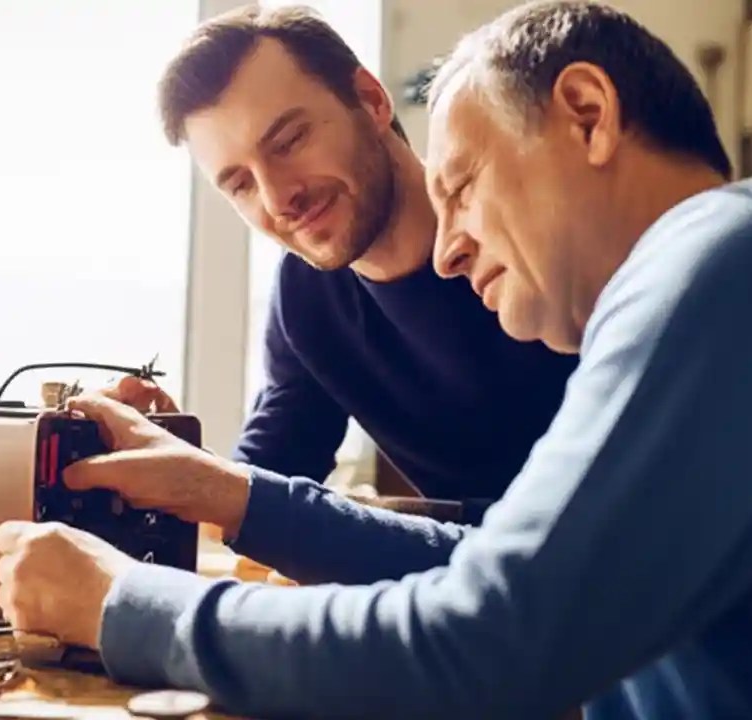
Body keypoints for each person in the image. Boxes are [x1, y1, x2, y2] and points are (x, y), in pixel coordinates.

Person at [0, 2, 752, 718]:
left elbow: (487, 639)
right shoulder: (748, 263)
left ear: (588, 115)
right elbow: (496, 568)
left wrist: (125, 604)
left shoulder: (741, 259)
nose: (446, 251)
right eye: (237, 181)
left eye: (465, 187)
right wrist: (223, 491)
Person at [111, 3, 577, 517]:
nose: (277, 197)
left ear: (372, 100)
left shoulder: (527, 238)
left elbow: (601, 518)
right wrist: (171, 465)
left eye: (289, 141)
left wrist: (369, 520)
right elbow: (270, 474)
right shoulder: (307, 293)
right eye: (241, 184)